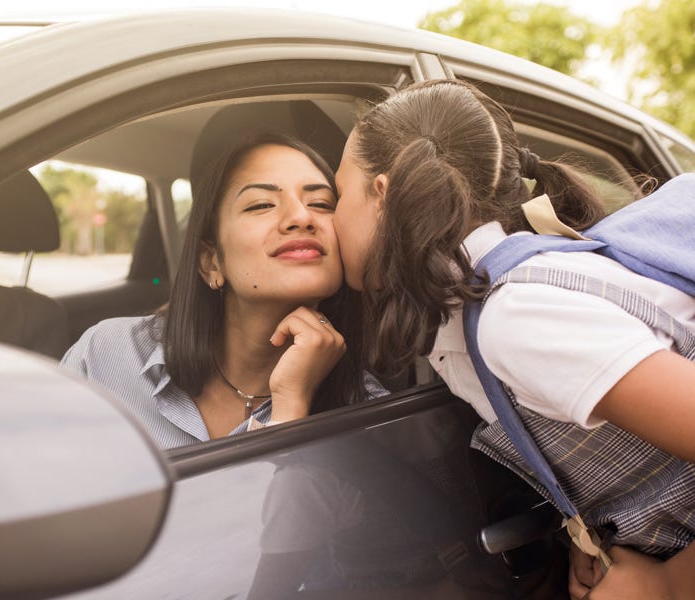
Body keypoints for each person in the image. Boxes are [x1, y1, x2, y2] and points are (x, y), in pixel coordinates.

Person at [331, 79, 695, 599]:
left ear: (382, 196)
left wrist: (669, 584)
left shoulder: (516, 319)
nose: (329, 218)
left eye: (339, 193)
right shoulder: (483, 308)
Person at [62, 131, 375, 449]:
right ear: (211, 262)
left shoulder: (373, 412)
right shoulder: (105, 356)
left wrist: (291, 405)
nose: (301, 217)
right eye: (261, 205)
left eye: (321, 203)